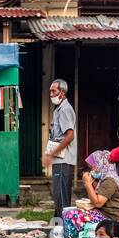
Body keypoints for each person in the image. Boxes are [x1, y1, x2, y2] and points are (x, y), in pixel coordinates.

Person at [62, 150, 119, 238]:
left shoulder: (110, 181)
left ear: (102, 164)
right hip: (104, 213)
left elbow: (98, 203)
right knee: (67, 211)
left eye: (93, 167)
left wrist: (88, 183)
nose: (92, 171)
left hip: (110, 217)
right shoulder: (107, 178)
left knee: (70, 215)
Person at [44, 79, 77, 217]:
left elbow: (70, 136)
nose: (51, 94)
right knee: (58, 197)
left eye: (54, 91)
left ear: (62, 93)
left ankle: (64, 231)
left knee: (62, 198)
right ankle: (58, 226)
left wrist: (51, 154)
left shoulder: (65, 109)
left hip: (64, 161)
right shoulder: (59, 109)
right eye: (50, 91)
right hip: (60, 161)